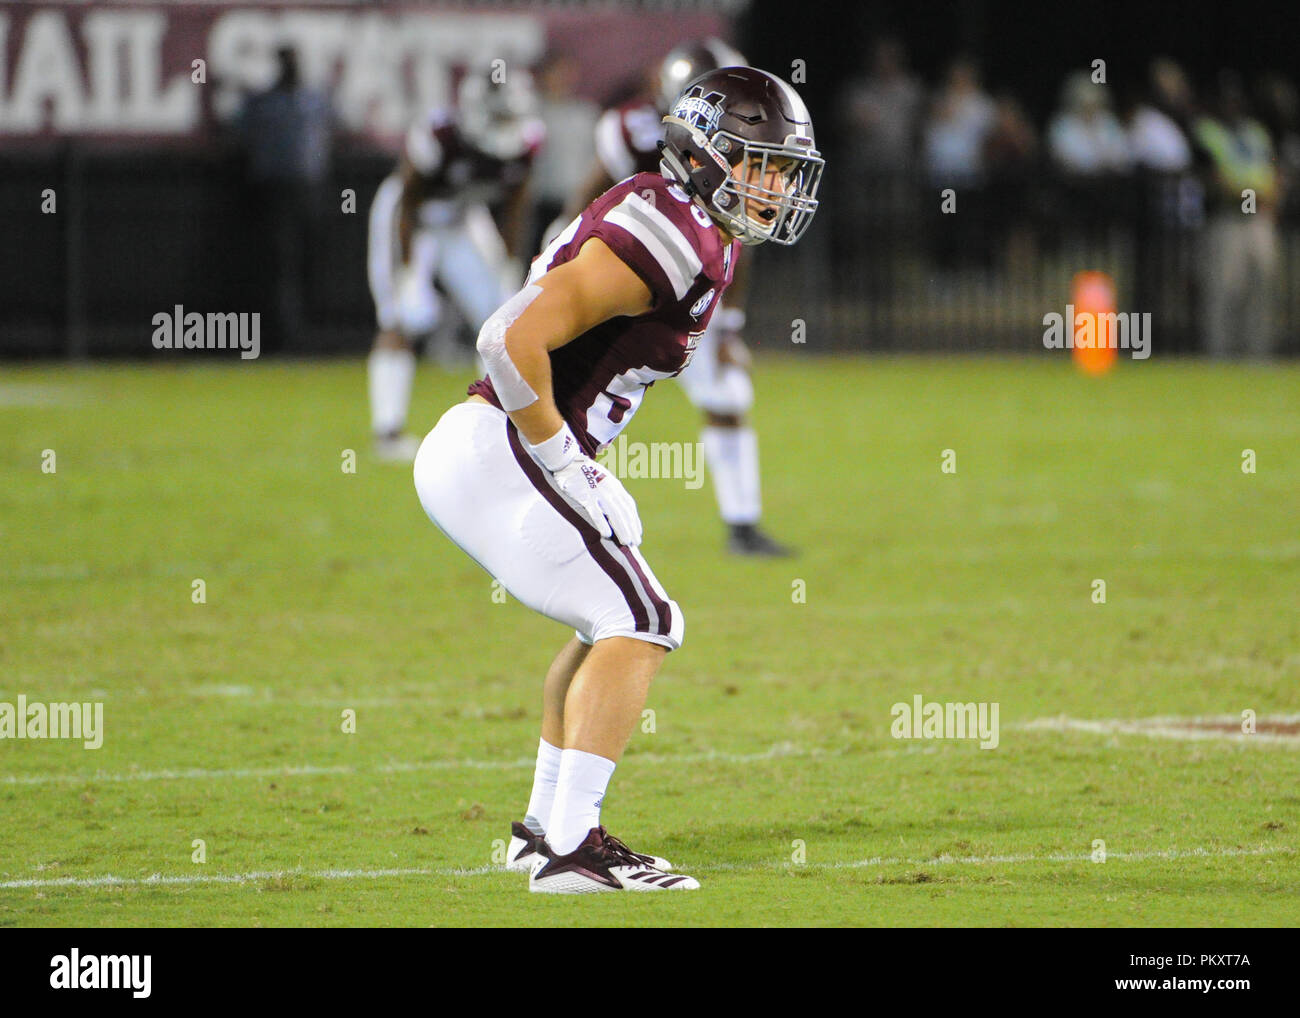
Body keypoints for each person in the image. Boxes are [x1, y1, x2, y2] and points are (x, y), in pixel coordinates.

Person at [412, 66, 823, 893]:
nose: (774, 185)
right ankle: (572, 847)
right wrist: (566, 462)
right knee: (642, 618)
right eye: (760, 163)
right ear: (705, 156)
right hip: (503, 444)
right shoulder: (672, 234)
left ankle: (542, 832)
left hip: (494, 442)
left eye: (783, 169)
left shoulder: (679, 217)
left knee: (612, 621)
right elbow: (506, 337)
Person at [563, 39, 797, 557]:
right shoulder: (630, 132)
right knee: (582, 400)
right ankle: (556, 511)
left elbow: (744, 237)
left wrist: (730, 328)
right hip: (628, 279)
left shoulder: (738, 172)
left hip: (694, 281)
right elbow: (589, 202)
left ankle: (742, 525)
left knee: (729, 397)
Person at [366, 71, 543, 461]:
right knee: (399, 315)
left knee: (502, 313)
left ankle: (501, 423)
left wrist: (512, 263)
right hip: (413, 220)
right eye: (497, 118)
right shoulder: (441, 135)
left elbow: (517, 205)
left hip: (463, 219)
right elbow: (407, 200)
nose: (505, 127)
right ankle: (388, 432)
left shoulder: (525, 142)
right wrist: (409, 269)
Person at [237, 45, 335, 351]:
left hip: (310, 190)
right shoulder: (264, 103)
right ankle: (284, 334)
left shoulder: (313, 100)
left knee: (311, 261)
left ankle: (311, 330)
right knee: (280, 264)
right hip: (275, 192)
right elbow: (240, 135)